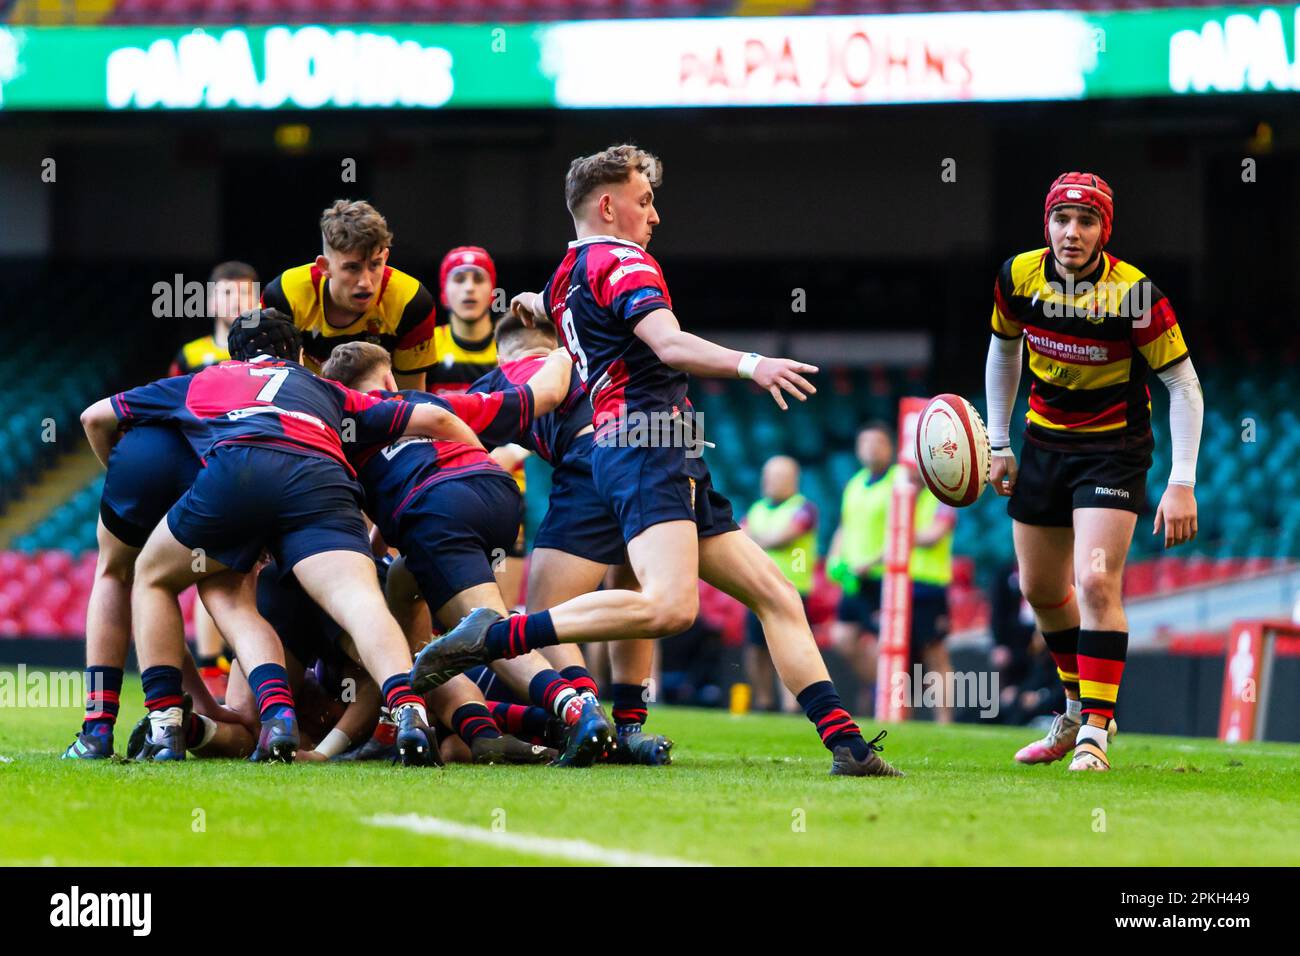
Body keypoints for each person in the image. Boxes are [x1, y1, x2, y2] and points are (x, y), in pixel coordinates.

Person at [414, 144, 900, 777]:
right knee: (671, 606)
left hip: (652, 449)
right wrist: (754, 363)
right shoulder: (623, 259)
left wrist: (533, 301)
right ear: (608, 206)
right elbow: (666, 343)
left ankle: (848, 747)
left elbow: (560, 311)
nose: (655, 216)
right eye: (645, 201)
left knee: (777, 593)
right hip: (646, 443)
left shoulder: (567, 276)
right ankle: (497, 637)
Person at [80, 310, 481, 764]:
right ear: (302, 356)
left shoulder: (209, 378)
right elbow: (433, 418)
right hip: (324, 481)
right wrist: (480, 467)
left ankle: (167, 724)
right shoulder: (324, 388)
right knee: (360, 602)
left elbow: (96, 417)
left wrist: (114, 477)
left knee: (152, 576)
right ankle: (408, 711)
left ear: (234, 356)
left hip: (242, 472)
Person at [985, 171, 1201, 771]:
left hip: (1113, 449)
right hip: (1043, 444)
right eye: (1062, 219)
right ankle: (1078, 709)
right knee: (1041, 590)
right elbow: (1004, 351)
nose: (1072, 232)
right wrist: (999, 442)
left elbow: (1182, 384)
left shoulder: (1135, 294)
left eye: (1086, 221)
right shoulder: (1017, 277)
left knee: (1097, 582)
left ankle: (1096, 735)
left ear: (1105, 229)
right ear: (1046, 223)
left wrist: (1181, 481)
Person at [469, 314, 671, 765]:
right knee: (634, 590)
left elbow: (453, 436)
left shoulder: (504, 376)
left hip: (593, 463)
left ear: (504, 353)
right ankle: (631, 725)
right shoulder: (589, 362)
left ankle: (587, 711)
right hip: (660, 457)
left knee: (544, 610)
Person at [170, 260, 261, 701]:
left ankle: (246, 674)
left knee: (246, 574)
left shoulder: (262, 354)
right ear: (210, 300)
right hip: (206, 478)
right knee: (210, 570)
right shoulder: (191, 356)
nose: (235, 302)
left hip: (255, 477)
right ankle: (210, 673)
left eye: (244, 294)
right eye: (227, 294)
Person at [260, 200, 438, 390]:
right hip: (305, 405)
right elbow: (268, 386)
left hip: (378, 411)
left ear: (385, 258)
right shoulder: (283, 296)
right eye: (353, 267)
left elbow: (410, 397)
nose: (365, 282)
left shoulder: (411, 301)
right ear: (324, 267)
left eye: (375, 264)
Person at [742, 455, 817, 713]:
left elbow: (781, 537)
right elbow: (740, 535)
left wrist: (754, 539)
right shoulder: (757, 508)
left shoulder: (803, 508)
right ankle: (764, 702)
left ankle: (791, 706)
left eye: (776, 476)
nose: (769, 482)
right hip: (757, 588)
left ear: (792, 480)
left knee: (787, 648)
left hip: (792, 590)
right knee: (755, 649)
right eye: (767, 476)